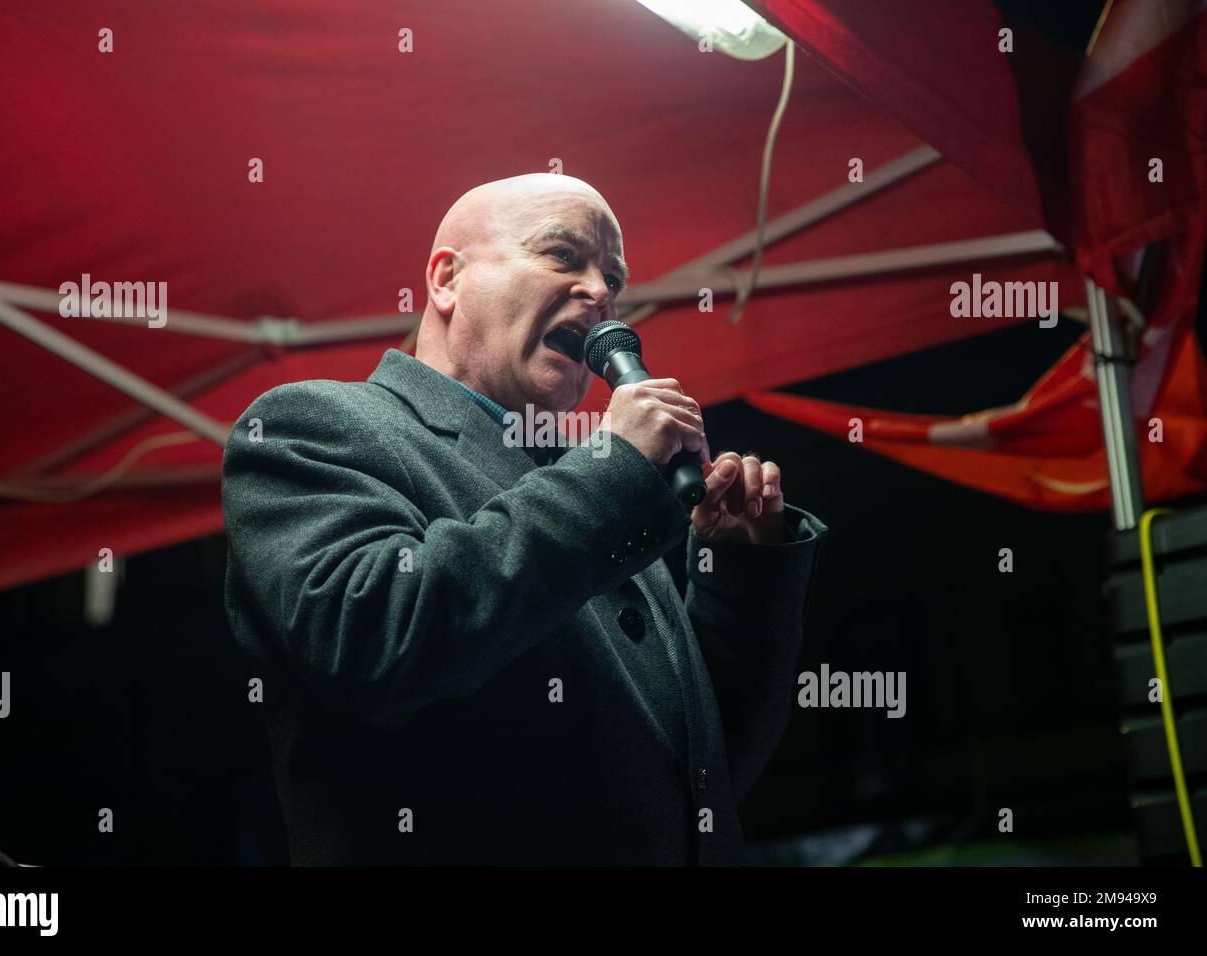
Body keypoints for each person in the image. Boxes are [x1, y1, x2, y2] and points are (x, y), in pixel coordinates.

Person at [221, 173, 828, 865]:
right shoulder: (316, 427)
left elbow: (699, 782)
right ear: (447, 279)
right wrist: (614, 472)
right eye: (563, 258)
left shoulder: (598, 492)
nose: (600, 292)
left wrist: (743, 574)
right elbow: (373, 637)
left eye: (613, 278)